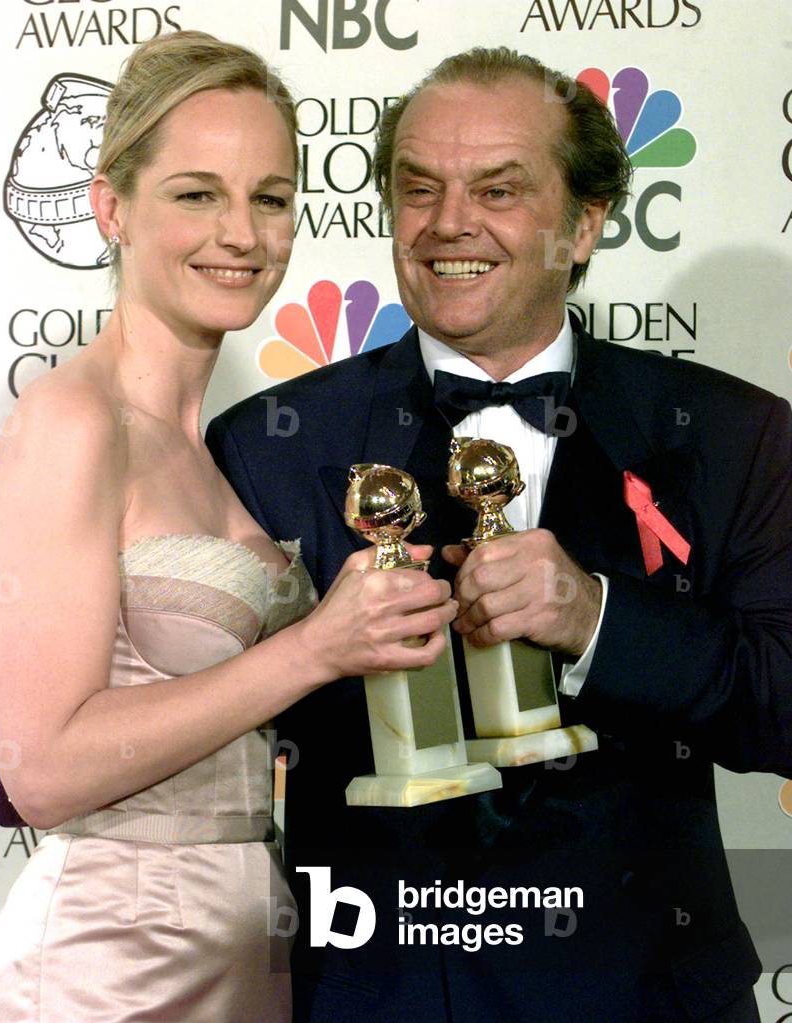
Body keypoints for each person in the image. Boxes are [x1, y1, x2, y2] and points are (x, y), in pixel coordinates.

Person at [206, 48, 792, 1023]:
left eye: (499, 189)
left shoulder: (731, 435)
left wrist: (600, 620)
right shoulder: (271, 447)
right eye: (419, 188)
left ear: (585, 222)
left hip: (649, 997)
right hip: (373, 995)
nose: (448, 225)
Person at [0, 31, 457, 1023]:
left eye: (269, 198)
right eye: (197, 193)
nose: (240, 233)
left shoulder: (214, 449)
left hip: (238, 945)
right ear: (111, 205)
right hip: (108, 965)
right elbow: (43, 769)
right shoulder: (72, 422)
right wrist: (316, 647)